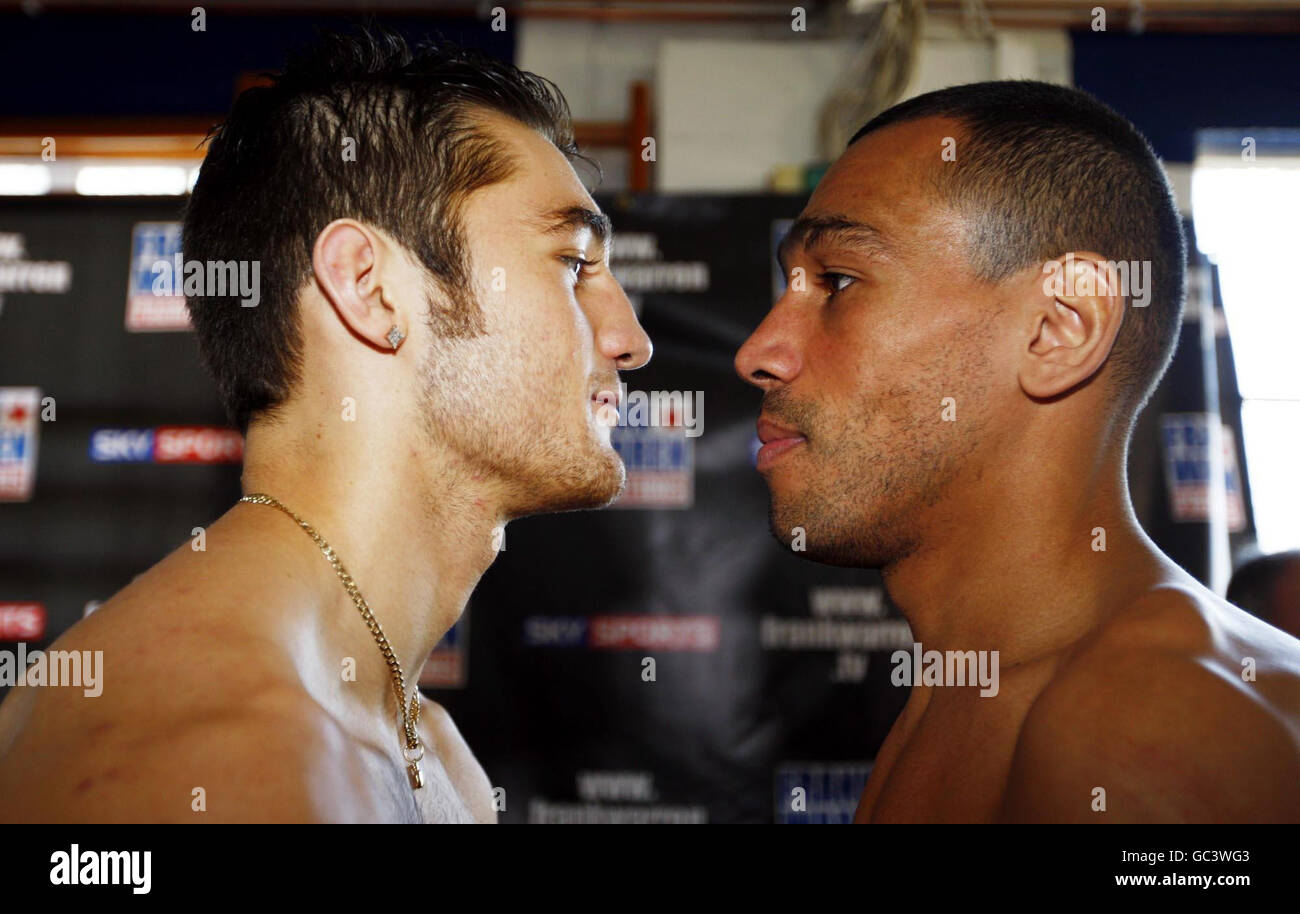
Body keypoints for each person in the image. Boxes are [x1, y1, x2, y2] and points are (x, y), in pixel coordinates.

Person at [0, 28, 649, 823]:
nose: (632, 341)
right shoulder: (213, 755)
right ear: (370, 289)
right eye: (574, 263)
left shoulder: (433, 750)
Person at [735, 80, 1300, 823]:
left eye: (838, 280)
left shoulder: (1143, 726)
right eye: (790, 285)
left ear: (1058, 328)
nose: (758, 352)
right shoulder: (971, 693)